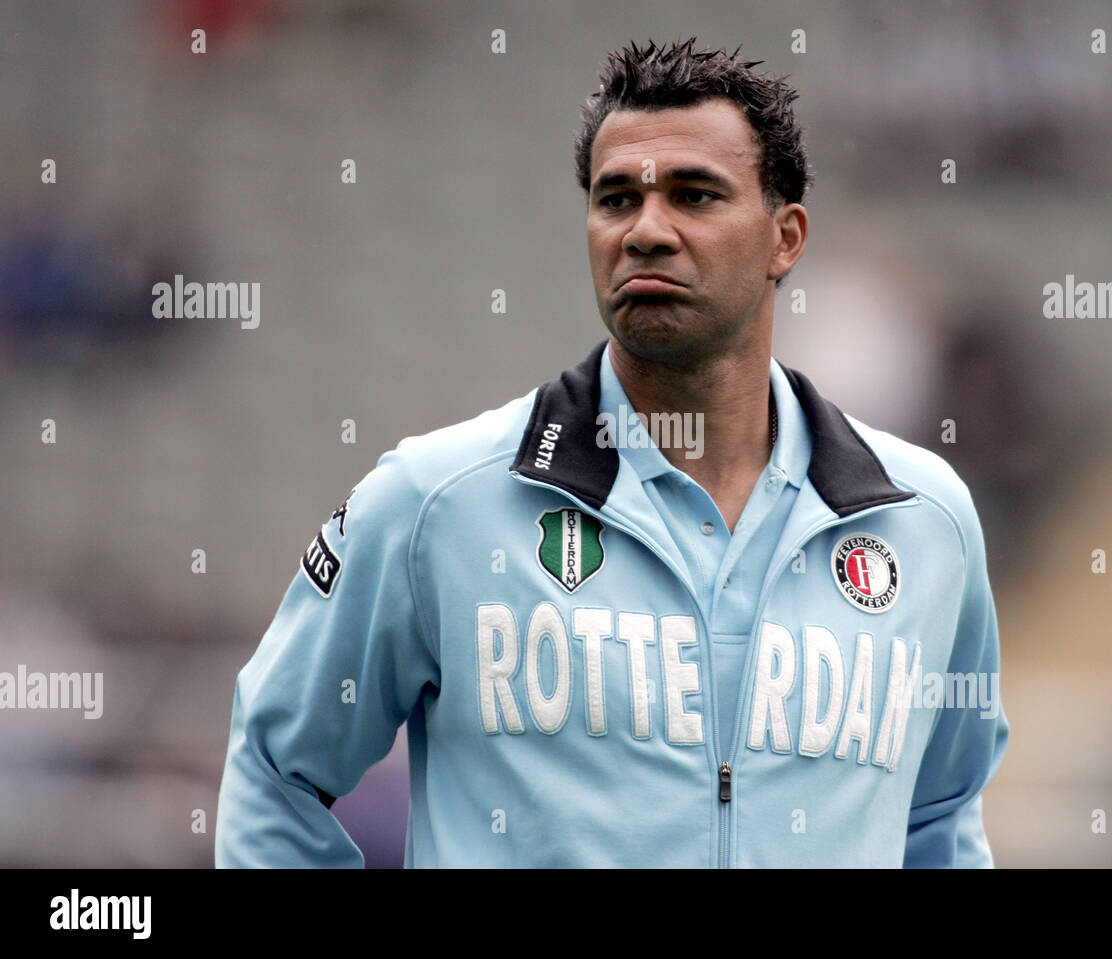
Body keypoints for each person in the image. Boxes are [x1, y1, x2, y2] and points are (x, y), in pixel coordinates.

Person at [215, 37, 1009, 868]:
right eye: (617, 198)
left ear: (785, 238)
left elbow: (943, 818)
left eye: (695, 195)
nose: (647, 230)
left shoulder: (926, 521)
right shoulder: (436, 503)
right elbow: (274, 770)